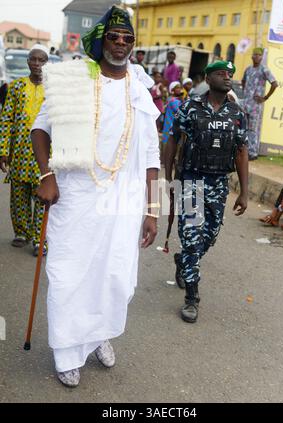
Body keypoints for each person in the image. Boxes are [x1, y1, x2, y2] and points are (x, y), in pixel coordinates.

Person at [31, 5, 160, 388]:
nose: (120, 44)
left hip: (123, 200)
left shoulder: (139, 89)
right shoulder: (75, 81)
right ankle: (68, 350)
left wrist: (153, 209)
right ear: (100, 40)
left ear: (133, 45)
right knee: (70, 273)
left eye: (127, 39)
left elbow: (152, 154)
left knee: (116, 276)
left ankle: (98, 333)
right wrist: (47, 175)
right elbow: (41, 129)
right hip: (75, 196)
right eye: (113, 37)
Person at [165, 61, 248, 323]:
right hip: (191, 180)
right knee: (191, 237)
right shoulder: (190, 107)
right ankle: (192, 297)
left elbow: (241, 151)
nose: (227, 77)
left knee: (209, 236)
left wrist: (245, 192)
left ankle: (184, 261)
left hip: (218, 184)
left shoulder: (236, 113)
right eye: (221, 73)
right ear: (208, 78)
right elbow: (173, 139)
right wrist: (167, 177)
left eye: (230, 74)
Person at [0, 45, 49, 256]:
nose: (37, 64)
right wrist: (3, 150)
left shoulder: (54, 89)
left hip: (46, 155)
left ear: (48, 64)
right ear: (28, 62)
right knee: (18, 197)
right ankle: (21, 232)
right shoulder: (16, 87)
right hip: (19, 152)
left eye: (42, 60)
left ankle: (40, 239)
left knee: (42, 198)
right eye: (33, 59)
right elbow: (6, 120)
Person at [242, 47, 278, 161]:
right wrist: (246, 93)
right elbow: (243, 81)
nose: (257, 57)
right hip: (245, 104)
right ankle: (245, 151)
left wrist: (265, 97)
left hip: (255, 106)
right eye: (255, 55)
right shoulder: (248, 69)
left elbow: (274, 83)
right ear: (252, 56)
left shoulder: (264, 70)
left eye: (259, 55)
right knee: (244, 128)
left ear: (262, 57)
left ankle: (253, 153)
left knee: (253, 129)